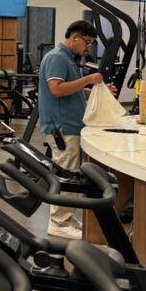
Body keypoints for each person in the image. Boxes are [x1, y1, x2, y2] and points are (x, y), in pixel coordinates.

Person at [37, 20, 116, 240]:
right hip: (63, 128)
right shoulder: (57, 58)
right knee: (67, 175)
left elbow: (73, 91)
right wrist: (88, 78)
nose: (88, 47)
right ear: (75, 37)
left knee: (71, 174)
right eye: (87, 42)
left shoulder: (69, 59)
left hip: (72, 126)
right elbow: (57, 90)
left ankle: (66, 217)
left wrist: (97, 90)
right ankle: (58, 222)